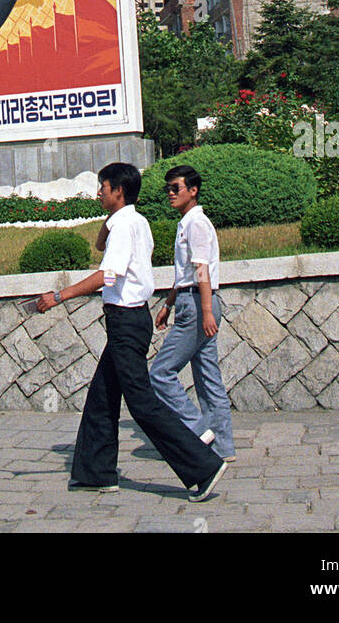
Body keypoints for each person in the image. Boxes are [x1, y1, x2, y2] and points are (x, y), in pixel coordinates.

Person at [35, 162, 228, 502]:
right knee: (102, 397)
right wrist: (108, 220)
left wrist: (58, 296)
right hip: (129, 319)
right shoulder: (133, 222)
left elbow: (106, 275)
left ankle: (204, 466)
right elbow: (100, 245)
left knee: (142, 404)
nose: (98, 193)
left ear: (118, 191)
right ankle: (96, 474)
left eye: (103, 187)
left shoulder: (125, 227)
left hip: (125, 321)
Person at [150, 164, 236, 462]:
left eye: (177, 188)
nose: (171, 194)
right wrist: (167, 305)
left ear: (193, 190)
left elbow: (201, 271)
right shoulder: (187, 223)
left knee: (160, 373)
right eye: (168, 189)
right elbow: (186, 273)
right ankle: (222, 448)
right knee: (207, 376)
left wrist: (207, 312)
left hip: (199, 304)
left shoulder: (196, 224)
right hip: (192, 300)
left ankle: (200, 432)